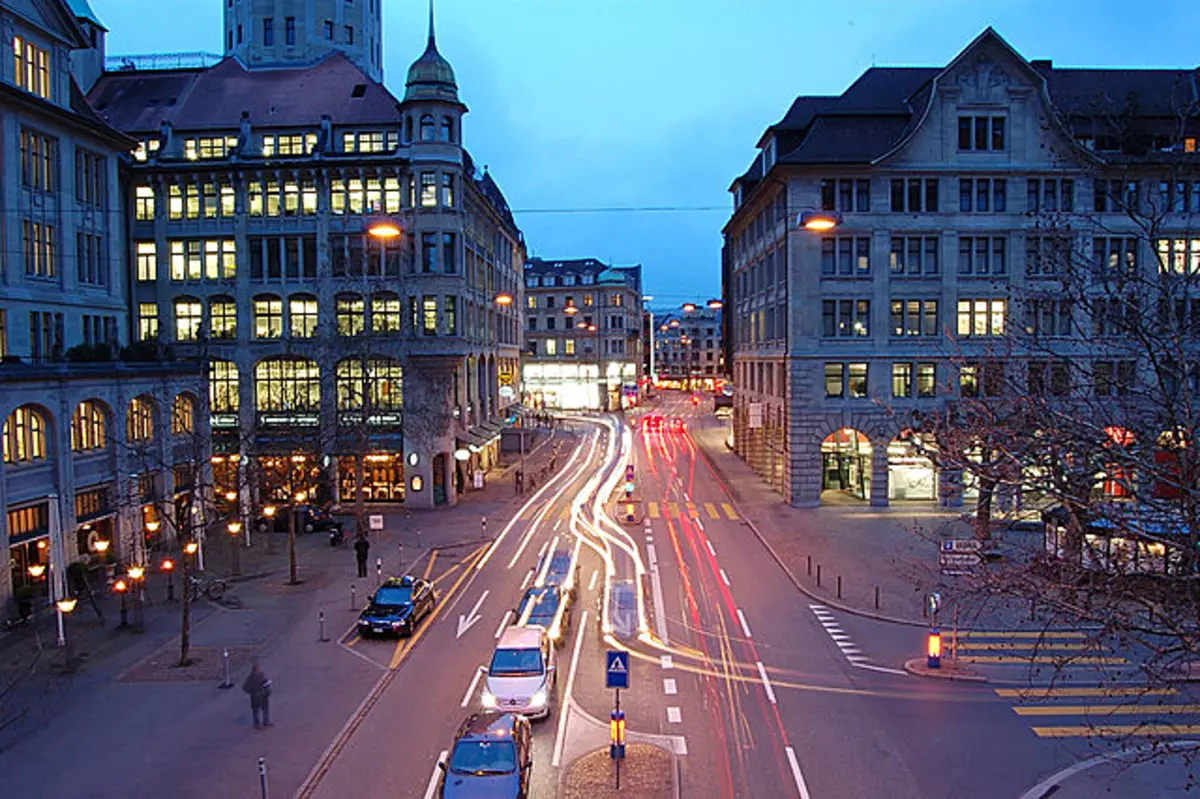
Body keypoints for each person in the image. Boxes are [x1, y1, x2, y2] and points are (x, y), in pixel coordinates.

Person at [242, 662, 272, 728]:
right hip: (257, 696)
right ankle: (257, 724)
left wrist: (267, 685)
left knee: (264, 710)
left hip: (262, 695)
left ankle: (265, 722)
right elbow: (245, 688)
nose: (259, 670)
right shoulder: (251, 678)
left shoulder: (261, 675)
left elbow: (266, 682)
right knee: (256, 711)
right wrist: (252, 692)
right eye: (258, 669)